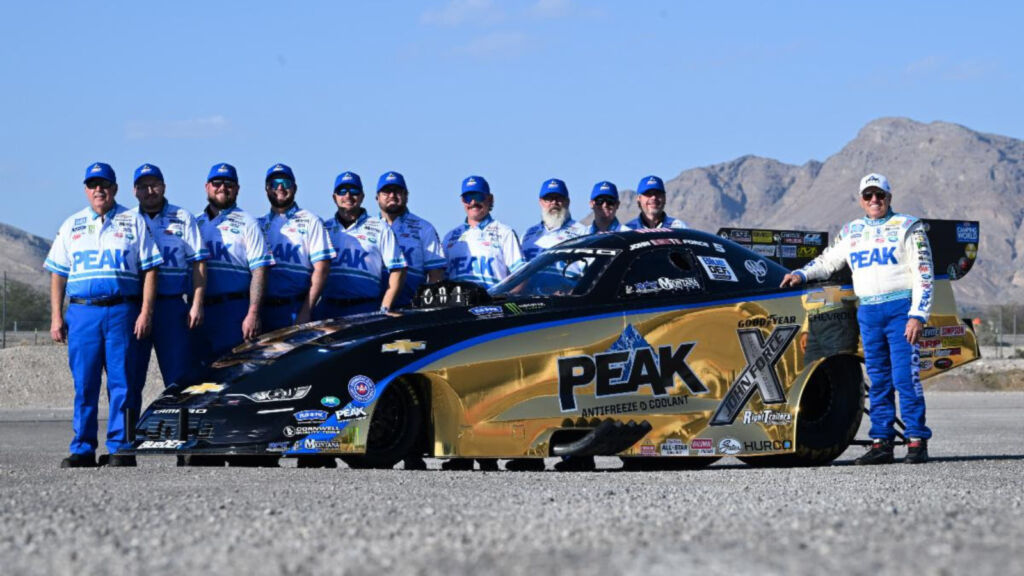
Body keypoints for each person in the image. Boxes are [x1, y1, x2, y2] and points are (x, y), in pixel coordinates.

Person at [780, 173, 934, 464]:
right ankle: (881, 443)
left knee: (905, 378)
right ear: (861, 200)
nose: (874, 200)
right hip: (869, 311)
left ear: (889, 197)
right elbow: (828, 261)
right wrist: (801, 273)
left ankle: (916, 440)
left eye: (880, 195)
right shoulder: (852, 230)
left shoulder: (908, 226)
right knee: (878, 380)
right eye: (868, 196)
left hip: (901, 310)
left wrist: (918, 315)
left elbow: (924, 274)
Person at [45, 162, 163, 468]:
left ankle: (120, 447)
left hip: (122, 310)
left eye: (105, 185)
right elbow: (58, 274)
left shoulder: (133, 220)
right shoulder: (72, 225)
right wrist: (57, 317)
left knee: (122, 382)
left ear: (115, 189)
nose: (99, 190)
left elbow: (150, 269)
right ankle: (82, 447)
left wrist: (146, 312)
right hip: (83, 312)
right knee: (84, 384)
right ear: (86, 190)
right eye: (93, 185)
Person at [131, 163, 207, 398]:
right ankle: (127, 434)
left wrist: (196, 303)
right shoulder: (127, 219)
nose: (149, 191)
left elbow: (199, 263)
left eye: (154, 185)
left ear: (163, 187)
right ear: (135, 191)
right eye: (143, 187)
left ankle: (180, 432)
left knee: (178, 379)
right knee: (130, 378)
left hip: (171, 305)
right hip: (135, 306)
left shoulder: (182, 217)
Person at [196, 163, 273, 362]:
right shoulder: (196, 223)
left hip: (235, 309)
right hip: (201, 309)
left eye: (229, 184)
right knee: (200, 377)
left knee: (234, 372)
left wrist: (253, 313)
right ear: (207, 187)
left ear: (237, 189)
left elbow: (260, 270)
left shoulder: (248, 222)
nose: (222, 187)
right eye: (217, 183)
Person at [316, 171, 407, 319]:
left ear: (362, 196)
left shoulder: (380, 228)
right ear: (334, 197)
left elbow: (399, 270)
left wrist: (385, 308)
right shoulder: (323, 228)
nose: (348, 196)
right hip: (327, 308)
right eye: (342, 191)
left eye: (354, 191)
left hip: (365, 307)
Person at [258, 163, 335, 331]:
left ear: (294, 188)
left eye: (285, 183)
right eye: (274, 183)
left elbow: (322, 269)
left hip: (296, 308)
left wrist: (306, 311)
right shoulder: (258, 224)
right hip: (264, 310)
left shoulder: (311, 220)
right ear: (266, 189)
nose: (280, 187)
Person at [376, 171, 446, 307]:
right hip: (371, 307)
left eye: (397, 191)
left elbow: (436, 274)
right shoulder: (369, 227)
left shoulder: (424, 228)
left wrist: (428, 305)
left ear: (406, 195)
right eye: (386, 192)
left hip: (410, 308)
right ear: (377, 197)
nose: (392, 195)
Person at [442, 175, 525, 289]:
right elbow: (440, 278)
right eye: (468, 198)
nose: (473, 202)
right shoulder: (450, 237)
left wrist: (506, 299)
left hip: (492, 305)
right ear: (462, 201)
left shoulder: (505, 233)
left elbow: (522, 276)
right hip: (459, 304)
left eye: (478, 196)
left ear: (490, 199)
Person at [520, 178, 585, 261]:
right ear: (541, 202)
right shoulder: (527, 234)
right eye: (548, 199)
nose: (554, 202)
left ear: (567, 202)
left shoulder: (582, 232)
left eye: (559, 198)